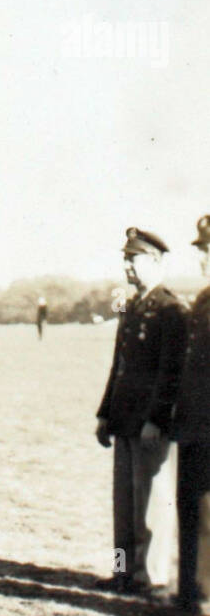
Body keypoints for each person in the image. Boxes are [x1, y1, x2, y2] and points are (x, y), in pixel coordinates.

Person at [95, 227, 187, 594]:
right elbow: (118, 365)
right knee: (123, 506)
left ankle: (151, 577)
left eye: (133, 260)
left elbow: (172, 372)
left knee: (151, 505)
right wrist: (104, 413)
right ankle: (122, 570)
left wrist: (157, 419)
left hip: (149, 424)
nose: (127, 268)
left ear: (155, 261)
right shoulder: (132, 306)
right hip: (123, 420)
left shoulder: (170, 309)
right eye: (126, 260)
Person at [172, 214, 210, 616]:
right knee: (193, 509)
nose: (202, 257)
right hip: (195, 425)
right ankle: (191, 592)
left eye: (206, 250)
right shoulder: (202, 300)